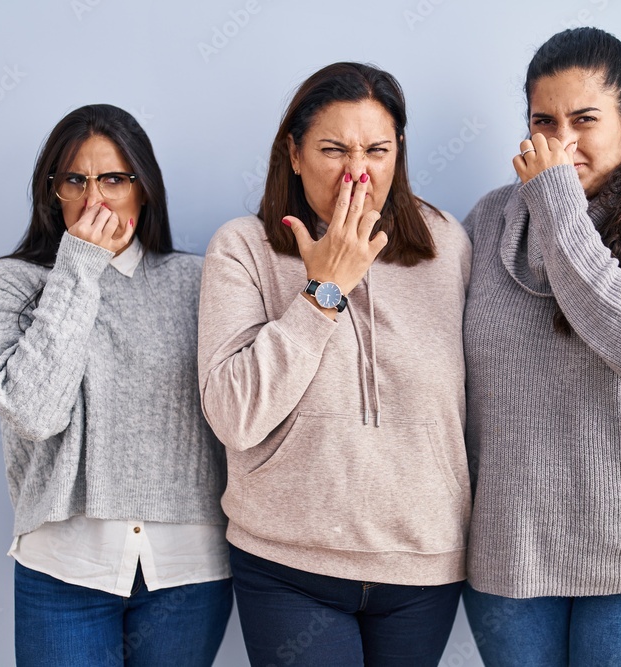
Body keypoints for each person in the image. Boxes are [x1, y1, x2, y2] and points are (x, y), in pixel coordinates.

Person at [197, 62, 472, 666]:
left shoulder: (447, 244)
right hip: (289, 561)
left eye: (377, 149)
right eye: (332, 149)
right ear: (293, 155)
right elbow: (234, 414)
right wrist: (322, 290)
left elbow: (502, 376)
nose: (358, 170)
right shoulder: (242, 247)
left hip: (421, 561)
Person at [461, 28, 621, 666]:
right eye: (544, 121)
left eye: (585, 119)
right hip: (510, 553)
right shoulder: (490, 219)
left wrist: (555, 201)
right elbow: (448, 366)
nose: (563, 140)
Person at [0, 104, 231, 666]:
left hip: (189, 572)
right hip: (64, 568)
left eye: (114, 178)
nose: (96, 199)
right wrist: (79, 267)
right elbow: (36, 412)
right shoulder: (12, 283)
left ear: (144, 188)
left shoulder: (198, 281)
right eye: (76, 180)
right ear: (53, 193)